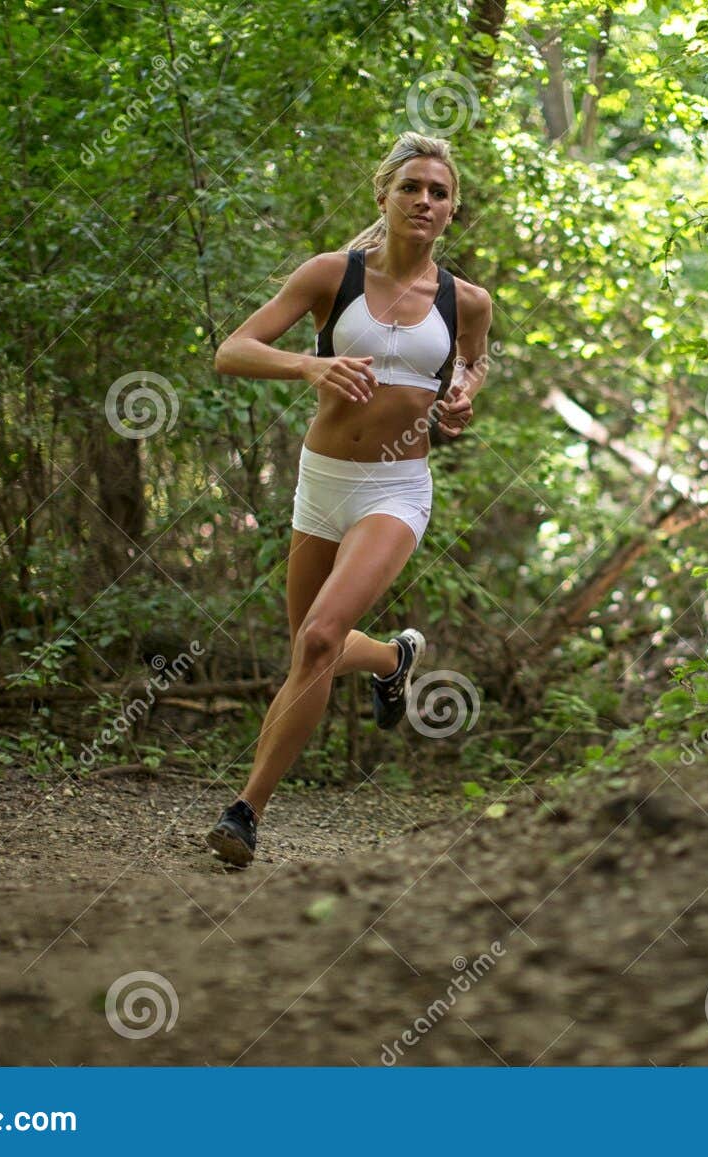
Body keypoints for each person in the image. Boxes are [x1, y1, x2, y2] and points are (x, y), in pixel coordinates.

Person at [204, 132, 493, 867]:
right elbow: (231, 350)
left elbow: (472, 366)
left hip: (397, 489)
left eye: (439, 191)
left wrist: (461, 396)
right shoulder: (332, 276)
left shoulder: (468, 301)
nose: (425, 200)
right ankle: (393, 660)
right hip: (322, 481)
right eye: (412, 188)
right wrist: (309, 366)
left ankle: (245, 812)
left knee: (321, 638)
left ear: (452, 209)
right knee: (311, 647)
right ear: (385, 196)